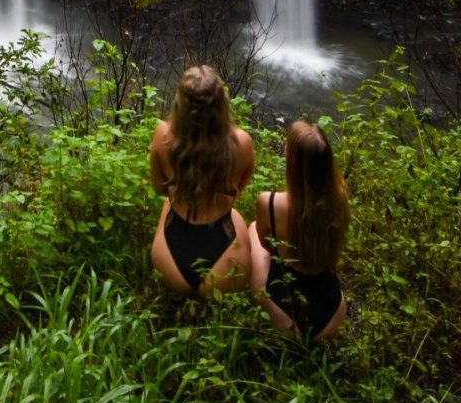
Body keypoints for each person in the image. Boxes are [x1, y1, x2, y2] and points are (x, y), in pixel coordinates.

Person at [150, 65, 255, 296]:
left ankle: (181, 290)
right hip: (225, 268)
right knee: (235, 215)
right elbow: (237, 190)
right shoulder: (242, 143)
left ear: (180, 105)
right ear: (222, 105)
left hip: (169, 264)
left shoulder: (162, 135)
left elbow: (160, 189)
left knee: (169, 203)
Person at [249, 118, 350, 341]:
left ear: (292, 162)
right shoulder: (339, 200)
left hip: (285, 317)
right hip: (332, 317)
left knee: (252, 229)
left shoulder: (270, 202)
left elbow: (266, 245)